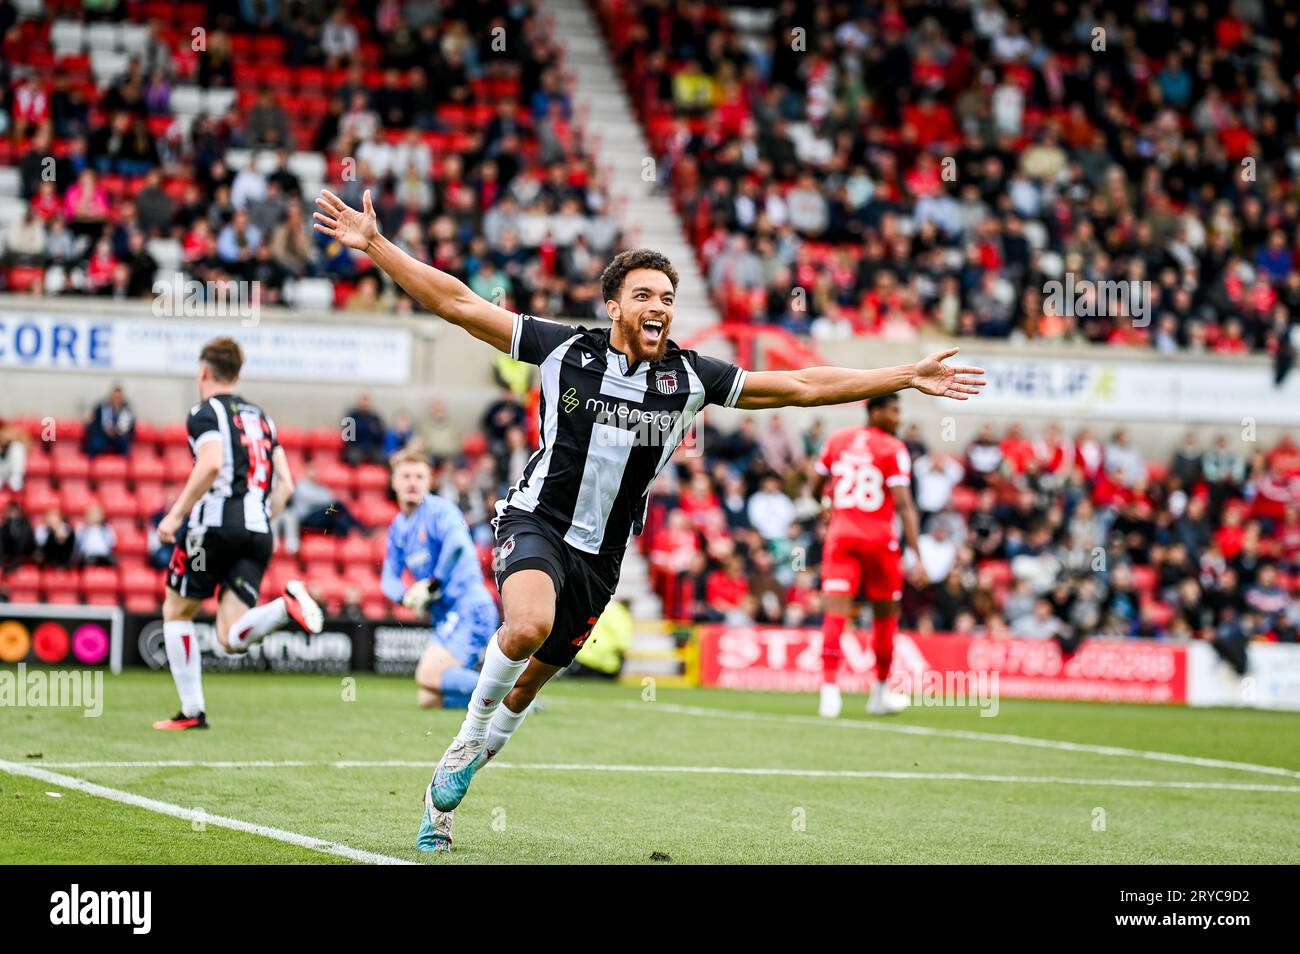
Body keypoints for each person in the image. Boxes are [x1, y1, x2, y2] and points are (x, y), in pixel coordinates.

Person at [312, 188, 984, 853]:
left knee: (527, 690)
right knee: (526, 626)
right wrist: (376, 245)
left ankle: (442, 800)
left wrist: (903, 375)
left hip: (603, 559)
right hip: (535, 522)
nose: (658, 306)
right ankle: (465, 737)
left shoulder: (691, 378)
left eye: (666, 297)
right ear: (614, 307)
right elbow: (456, 303)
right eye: (643, 295)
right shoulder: (563, 352)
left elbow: (801, 387)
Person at [154, 337, 324, 731]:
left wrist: (174, 515)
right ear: (238, 373)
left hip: (212, 527)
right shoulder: (262, 417)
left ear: (204, 372)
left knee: (176, 611)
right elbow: (287, 486)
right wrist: (262, 516)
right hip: (258, 531)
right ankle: (284, 607)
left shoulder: (203, 412)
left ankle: (192, 711)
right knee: (231, 636)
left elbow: (211, 463)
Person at [810, 394, 925, 718]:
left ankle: (829, 691)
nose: (898, 418)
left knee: (835, 614)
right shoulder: (893, 448)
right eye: (893, 411)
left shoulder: (837, 439)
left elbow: (814, 484)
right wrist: (917, 555)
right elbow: (904, 505)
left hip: (841, 537)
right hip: (880, 542)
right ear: (875, 412)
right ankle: (880, 693)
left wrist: (825, 505)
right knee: (885, 616)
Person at [83, 385, 135, 457]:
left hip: (118, 435)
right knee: (94, 446)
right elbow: (94, 422)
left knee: (125, 448)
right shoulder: (102, 407)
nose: (116, 399)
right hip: (102, 434)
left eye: (118, 398)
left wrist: (118, 431)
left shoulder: (126, 410)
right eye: (114, 397)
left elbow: (130, 427)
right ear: (111, 396)